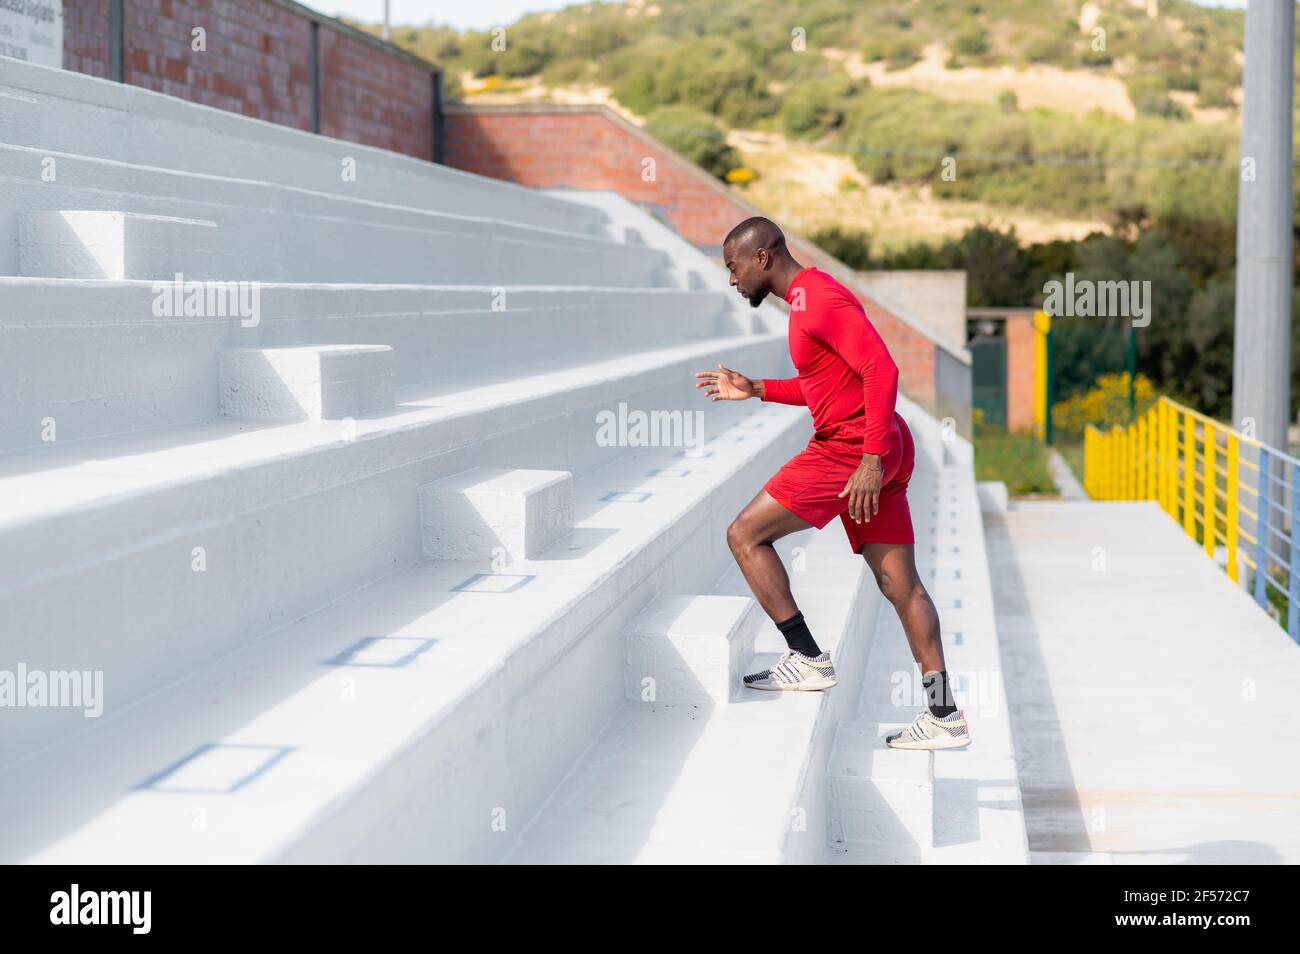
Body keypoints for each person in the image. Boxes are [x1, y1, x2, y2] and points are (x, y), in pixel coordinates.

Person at [695, 216, 971, 750]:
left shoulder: (816, 298)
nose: (732, 280)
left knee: (744, 535)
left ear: (762, 259)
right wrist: (756, 389)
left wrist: (868, 460)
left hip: (852, 451)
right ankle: (944, 714)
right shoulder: (806, 302)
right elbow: (825, 384)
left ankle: (805, 656)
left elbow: (881, 370)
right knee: (901, 586)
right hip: (884, 445)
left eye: (733, 268)